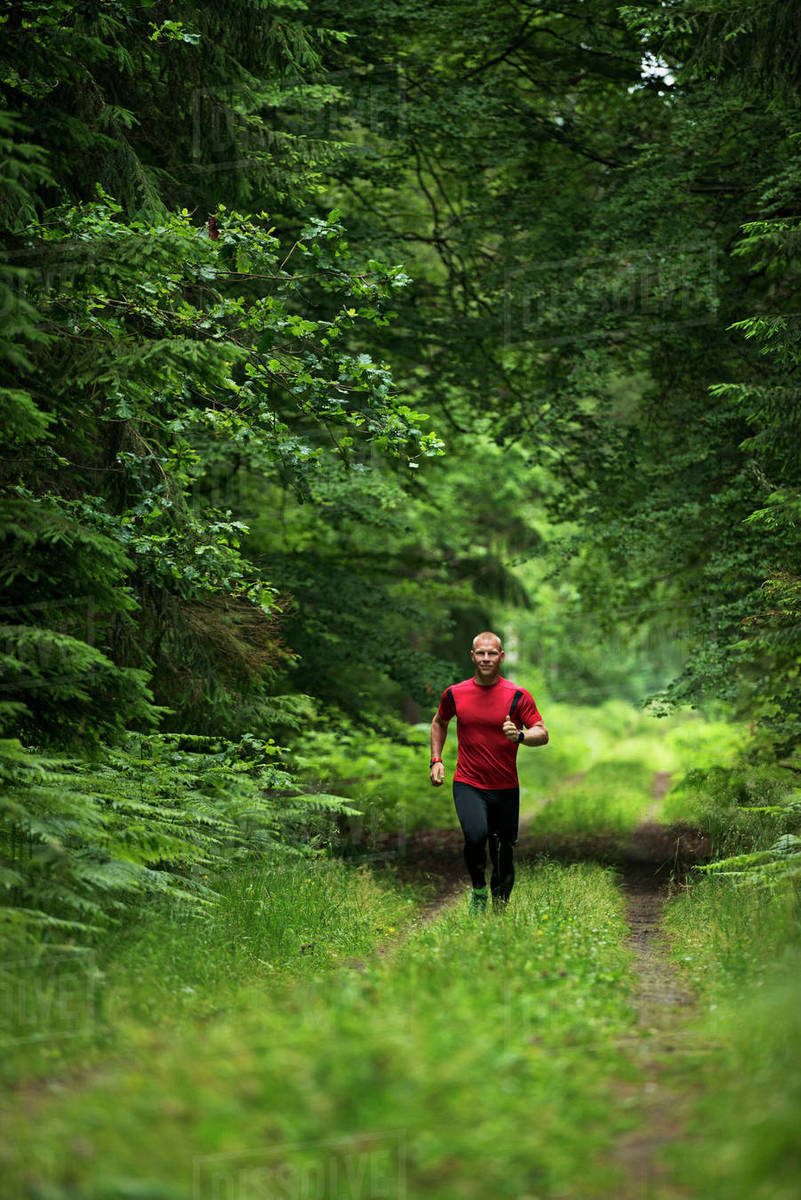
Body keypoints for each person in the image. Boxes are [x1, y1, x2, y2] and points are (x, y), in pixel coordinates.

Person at [430, 631, 548, 911]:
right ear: (472, 656)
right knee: (475, 836)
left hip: (505, 786)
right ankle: (480, 892)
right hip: (468, 783)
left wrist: (519, 735)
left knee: (503, 851)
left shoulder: (517, 696)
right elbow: (439, 722)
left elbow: (541, 733)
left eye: (491, 653)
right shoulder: (455, 694)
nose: (486, 658)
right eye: (480, 653)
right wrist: (436, 760)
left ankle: (500, 908)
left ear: (501, 657)